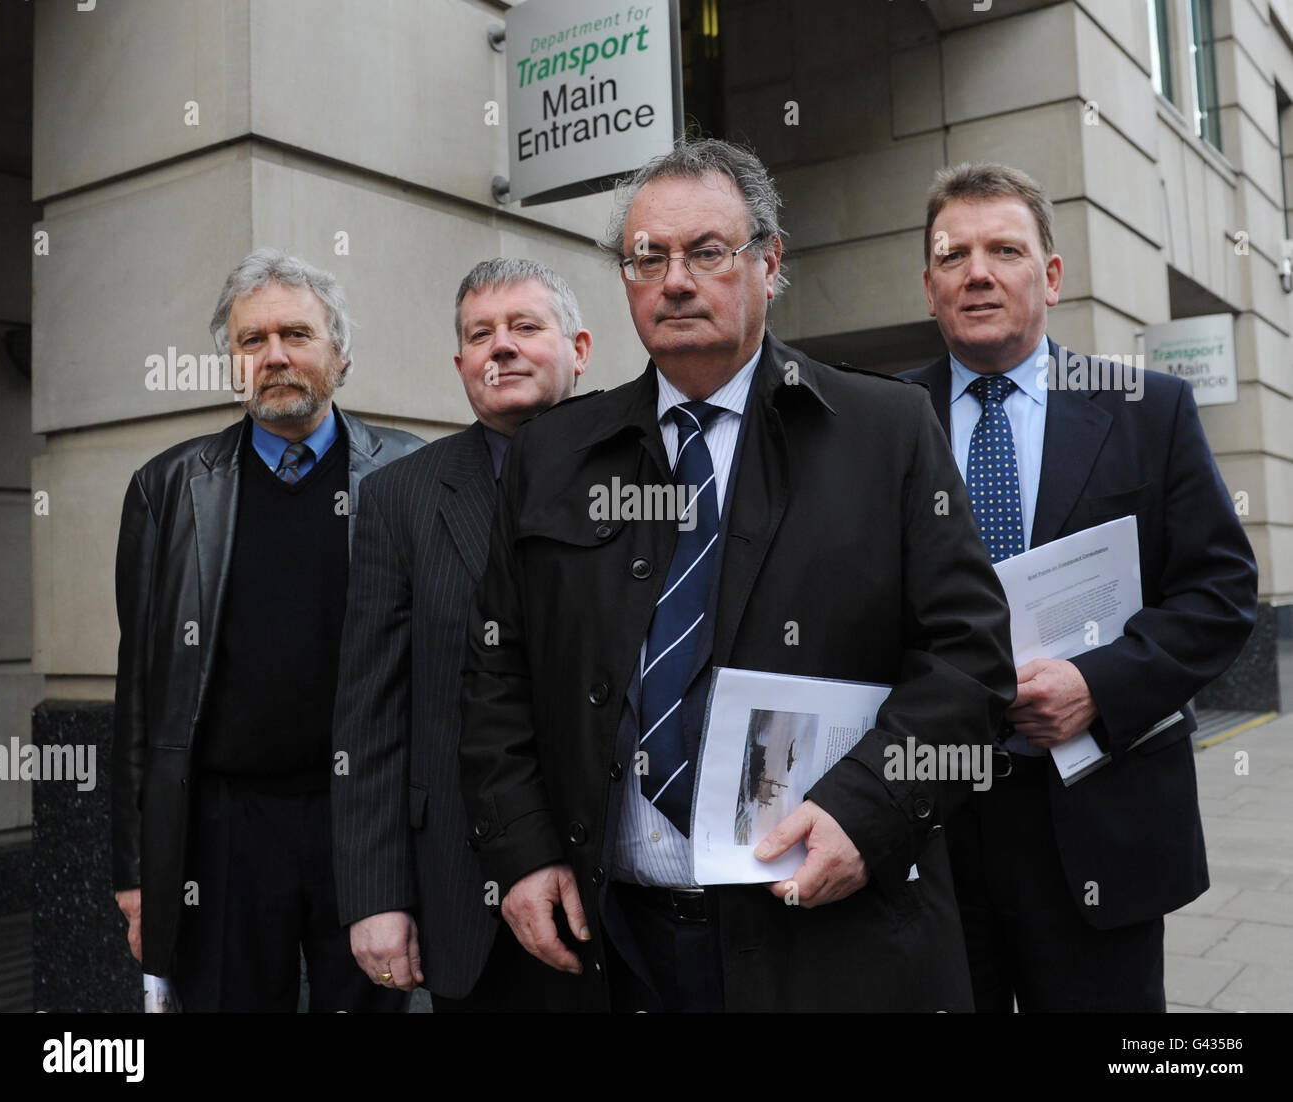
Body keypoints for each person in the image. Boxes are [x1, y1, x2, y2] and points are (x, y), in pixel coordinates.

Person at [458, 139, 1016, 1012]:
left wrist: (868, 812)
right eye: (648, 257)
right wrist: (521, 851)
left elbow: (970, 663)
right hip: (615, 939)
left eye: (708, 252)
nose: (675, 280)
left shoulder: (886, 431)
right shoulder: (554, 455)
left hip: (826, 932)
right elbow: (496, 672)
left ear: (769, 261)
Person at [902, 162, 1259, 1012]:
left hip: (1101, 812)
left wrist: (1098, 686)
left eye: (1005, 250)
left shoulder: (1147, 407)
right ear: (928, 285)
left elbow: (1222, 591)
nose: (978, 272)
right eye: (954, 256)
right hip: (935, 825)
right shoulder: (882, 422)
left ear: (1051, 276)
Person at [111, 247, 423, 1011]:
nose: (274, 356)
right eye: (252, 341)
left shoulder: (411, 476)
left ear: (340, 354)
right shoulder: (168, 489)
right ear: (231, 363)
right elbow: (140, 693)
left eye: (296, 334)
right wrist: (136, 870)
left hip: (368, 824)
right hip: (222, 832)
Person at [331, 258, 591, 1010]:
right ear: (460, 365)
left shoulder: (650, 470)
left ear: (578, 349)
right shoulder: (399, 498)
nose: (499, 347)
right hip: (462, 889)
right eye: (480, 335)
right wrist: (376, 896)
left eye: (524, 327)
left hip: (620, 888)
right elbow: (369, 712)